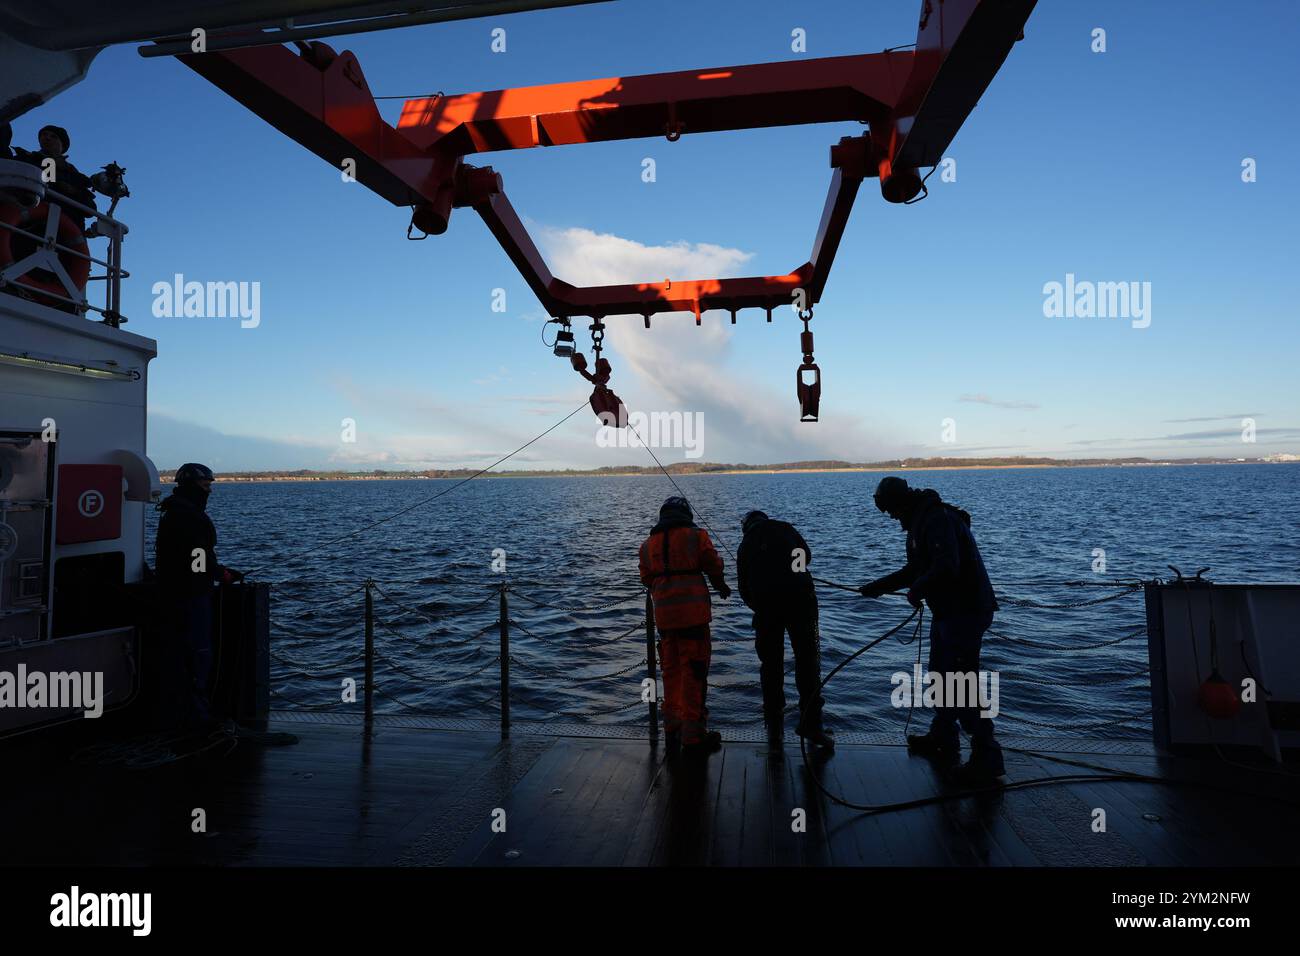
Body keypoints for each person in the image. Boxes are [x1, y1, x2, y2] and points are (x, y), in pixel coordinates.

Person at [859, 476, 1003, 784]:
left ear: (900, 501)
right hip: (948, 612)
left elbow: (946, 566)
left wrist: (916, 590)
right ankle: (943, 736)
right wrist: (879, 587)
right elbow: (916, 570)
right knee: (940, 674)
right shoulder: (921, 520)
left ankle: (987, 757)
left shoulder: (935, 518)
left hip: (965, 612)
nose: (891, 517)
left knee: (961, 683)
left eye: (890, 510)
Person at [638, 496, 730, 756]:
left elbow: (645, 577)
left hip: (665, 619)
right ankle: (693, 736)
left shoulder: (647, 544)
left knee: (671, 670)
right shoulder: (696, 536)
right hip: (693, 617)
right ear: (686, 514)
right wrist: (721, 585)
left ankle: (672, 726)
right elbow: (712, 563)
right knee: (695, 672)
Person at [155, 463, 241, 732]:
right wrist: (222, 574)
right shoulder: (188, 517)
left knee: (183, 653)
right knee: (197, 653)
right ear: (194, 487)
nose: (210, 491)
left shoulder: (173, 512)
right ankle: (197, 718)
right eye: (206, 486)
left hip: (174, 593)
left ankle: (185, 714)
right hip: (191, 595)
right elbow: (197, 559)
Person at [737, 510, 833, 749]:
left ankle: (774, 725)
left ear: (746, 526)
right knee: (807, 663)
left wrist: (760, 604)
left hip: (767, 610)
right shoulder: (786, 528)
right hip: (801, 603)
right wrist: (792, 572)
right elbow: (805, 556)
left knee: (770, 666)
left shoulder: (746, 543)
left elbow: (743, 588)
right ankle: (811, 724)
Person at [13, 124, 97, 217]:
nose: (47, 138)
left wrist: (73, 192)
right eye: (44, 134)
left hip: (65, 224)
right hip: (26, 218)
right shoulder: (25, 159)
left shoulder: (75, 176)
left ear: (63, 146)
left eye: (54, 137)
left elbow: (90, 210)